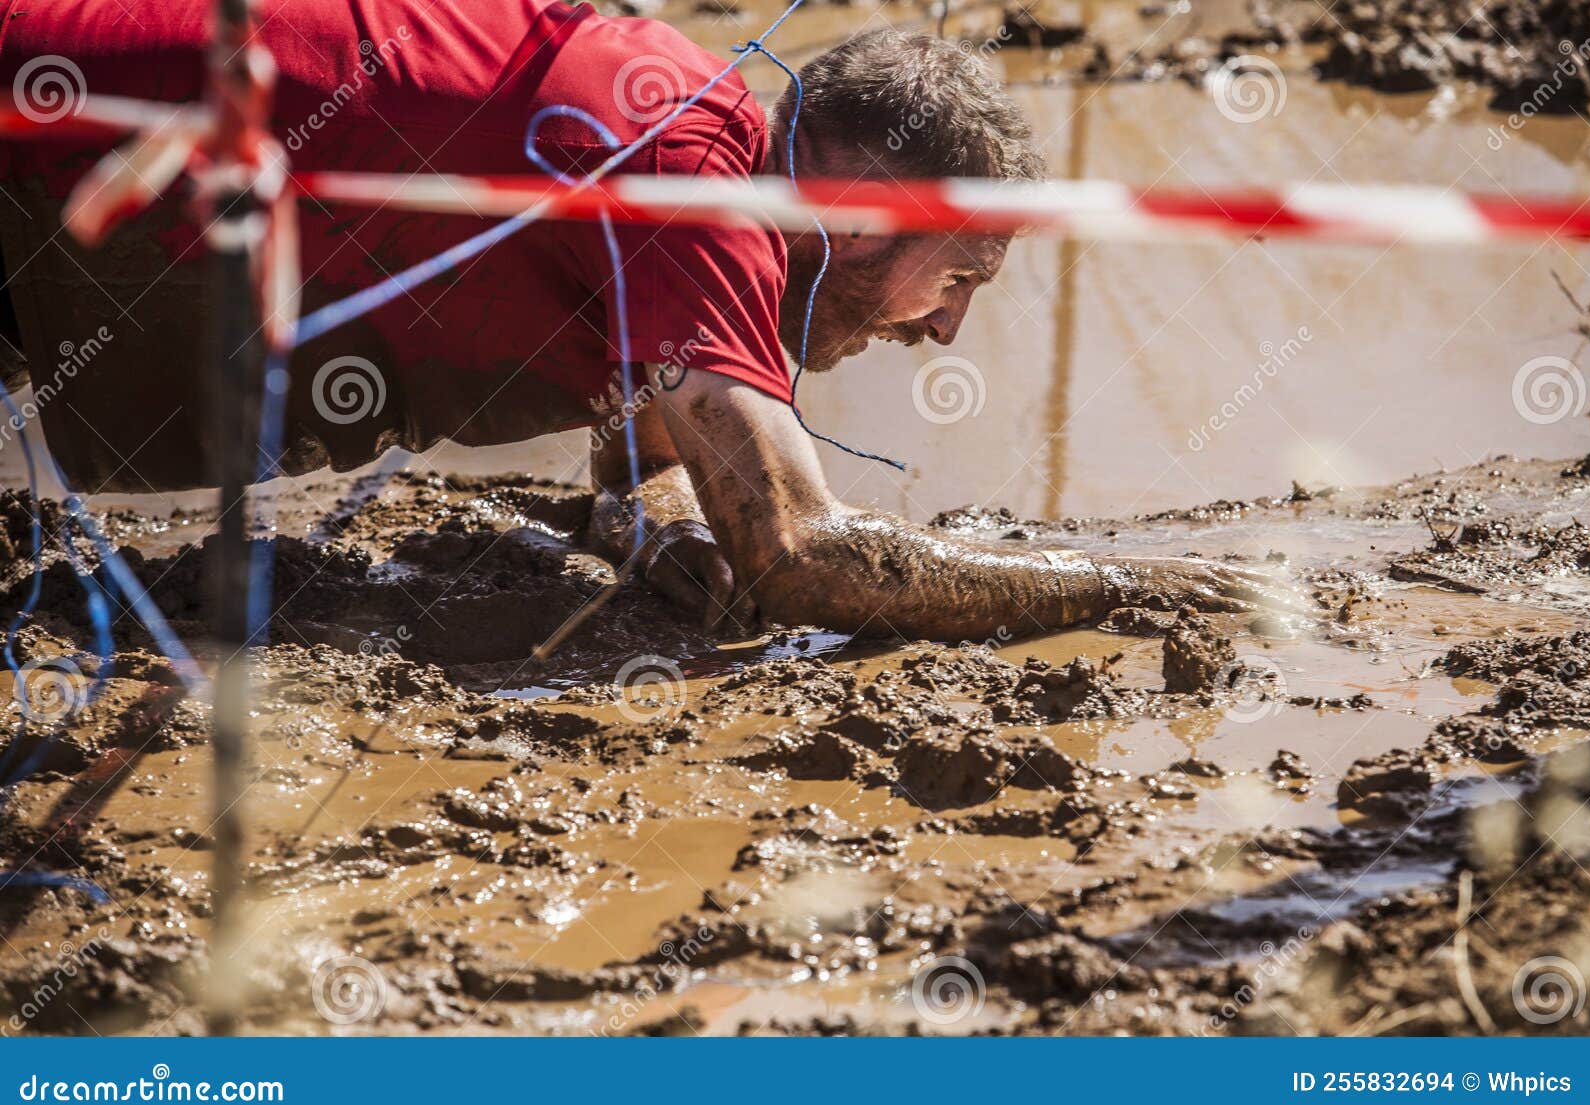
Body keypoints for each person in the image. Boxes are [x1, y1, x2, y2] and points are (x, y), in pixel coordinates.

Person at [0, 1, 1291, 641]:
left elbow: (640, 460)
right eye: (960, 279)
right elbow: (797, 553)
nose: (945, 331)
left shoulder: (705, 149)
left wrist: (653, 522)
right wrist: (1119, 589)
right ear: (860, 205)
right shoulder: (707, 185)